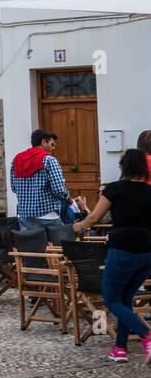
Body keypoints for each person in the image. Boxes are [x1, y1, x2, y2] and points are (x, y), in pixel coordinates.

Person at [74, 149, 151, 363]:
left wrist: (77, 226)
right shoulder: (149, 191)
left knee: (110, 298)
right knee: (125, 299)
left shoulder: (115, 189)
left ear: (123, 166)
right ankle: (119, 349)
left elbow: (95, 218)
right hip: (146, 253)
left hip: (122, 249)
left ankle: (147, 336)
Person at [10, 128, 81, 232]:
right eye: (52, 144)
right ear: (44, 142)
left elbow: (14, 188)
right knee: (63, 244)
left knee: (30, 248)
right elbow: (59, 190)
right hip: (48, 216)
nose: (53, 147)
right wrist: (68, 198)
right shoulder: (49, 160)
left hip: (25, 216)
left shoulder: (16, 160)